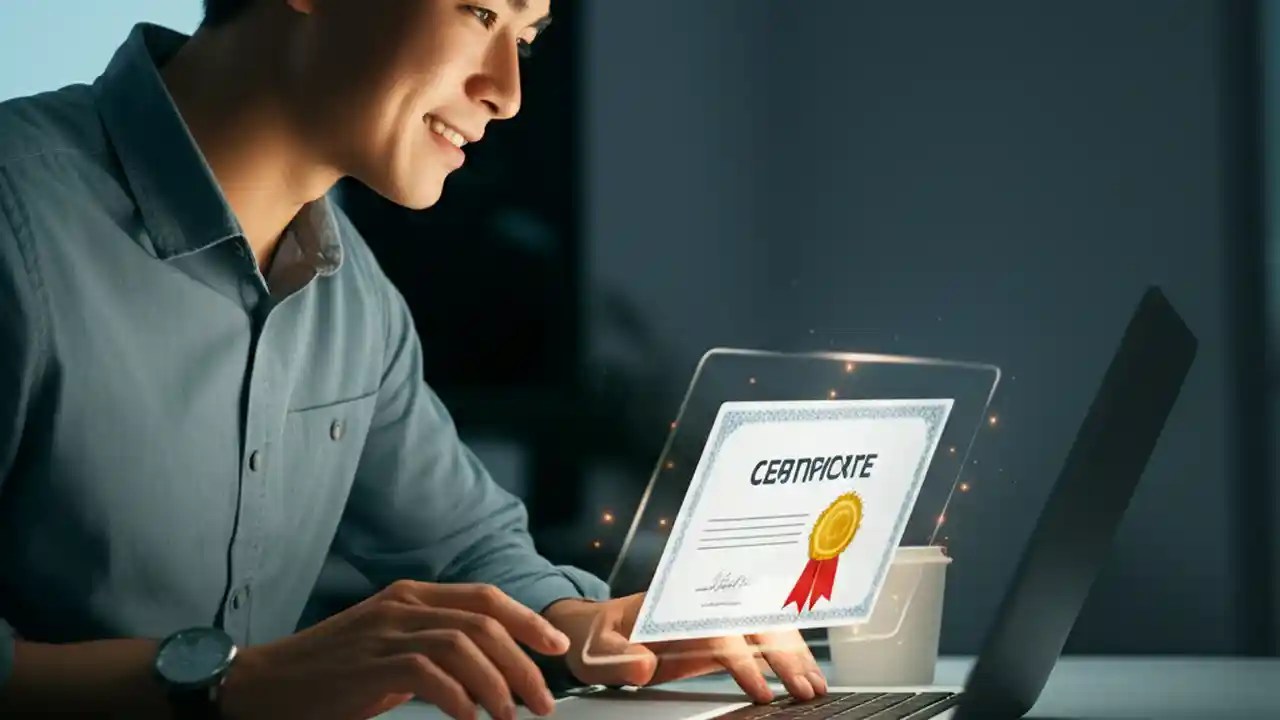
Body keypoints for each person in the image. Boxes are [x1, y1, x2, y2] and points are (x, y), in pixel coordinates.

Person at [0, 1, 828, 718]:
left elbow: (467, 548)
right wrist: (234, 685)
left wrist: (595, 626)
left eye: (526, 38)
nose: (506, 92)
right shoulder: (16, 218)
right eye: (477, 13)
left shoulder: (352, 293)